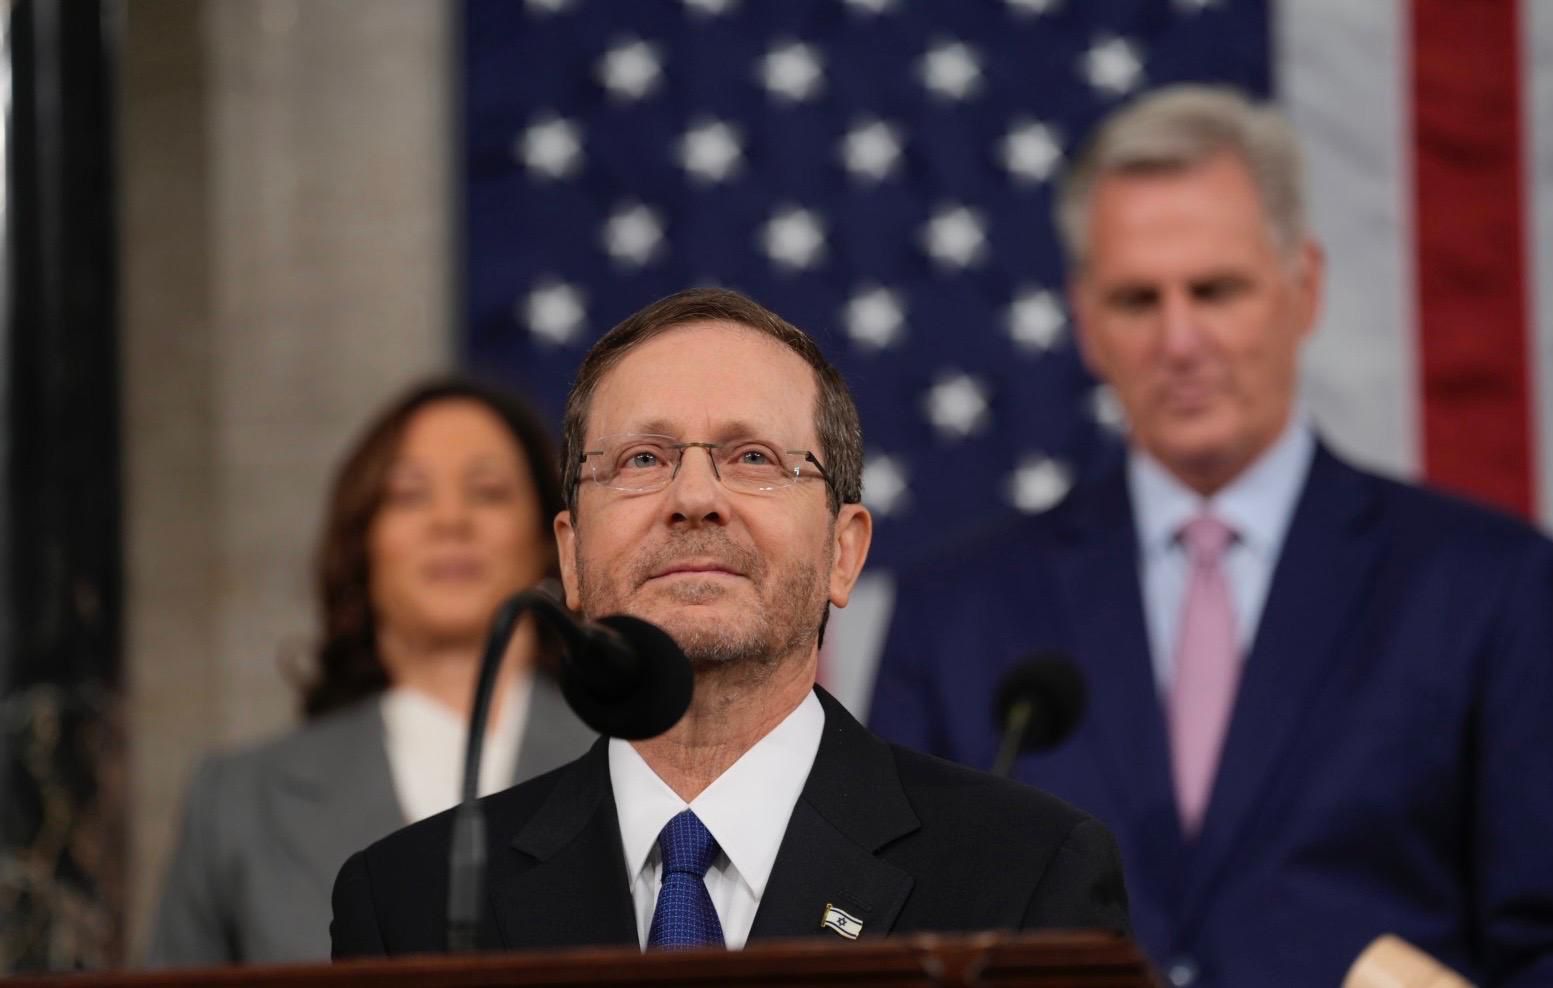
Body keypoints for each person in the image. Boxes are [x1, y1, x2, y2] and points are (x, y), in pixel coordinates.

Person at [868, 85, 1553, 987]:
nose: (1179, 339)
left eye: (1215, 289)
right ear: (1085, 323)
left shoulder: (1488, 586)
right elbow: (879, 934)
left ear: (1302, 290)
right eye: (1137, 299)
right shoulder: (955, 614)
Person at [330, 288, 1130, 956]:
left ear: (844, 552)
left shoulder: (1023, 879)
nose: (693, 498)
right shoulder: (407, 903)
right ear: (568, 558)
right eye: (643, 459)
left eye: (753, 459)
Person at [147, 379, 595, 966]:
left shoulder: (633, 763)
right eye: (409, 494)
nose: (450, 519)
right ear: (361, 543)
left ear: (550, 539)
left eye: (488, 492)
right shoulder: (236, 803)